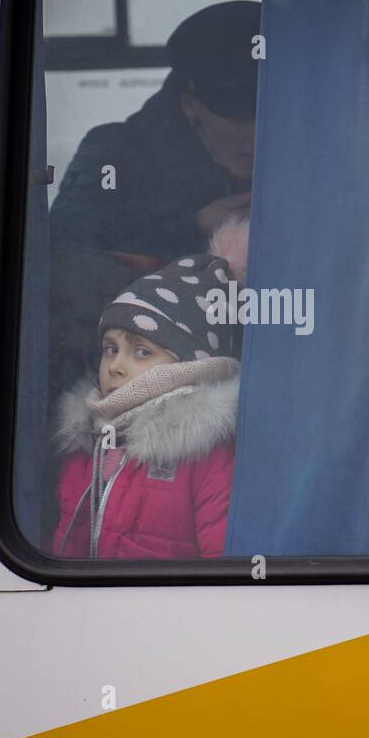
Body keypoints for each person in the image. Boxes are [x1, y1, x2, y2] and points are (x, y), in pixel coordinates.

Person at [47, 0, 260, 404]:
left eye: (268, 115)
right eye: (236, 119)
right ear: (190, 105)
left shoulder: (309, 161)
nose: (254, 137)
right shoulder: (113, 153)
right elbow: (65, 264)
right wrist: (191, 228)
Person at [51, 234, 245, 559]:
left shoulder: (208, 460)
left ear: (192, 367)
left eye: (141, 351)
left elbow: (224, 573)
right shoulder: (88, 447)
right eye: (110, 349)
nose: (115, 366)